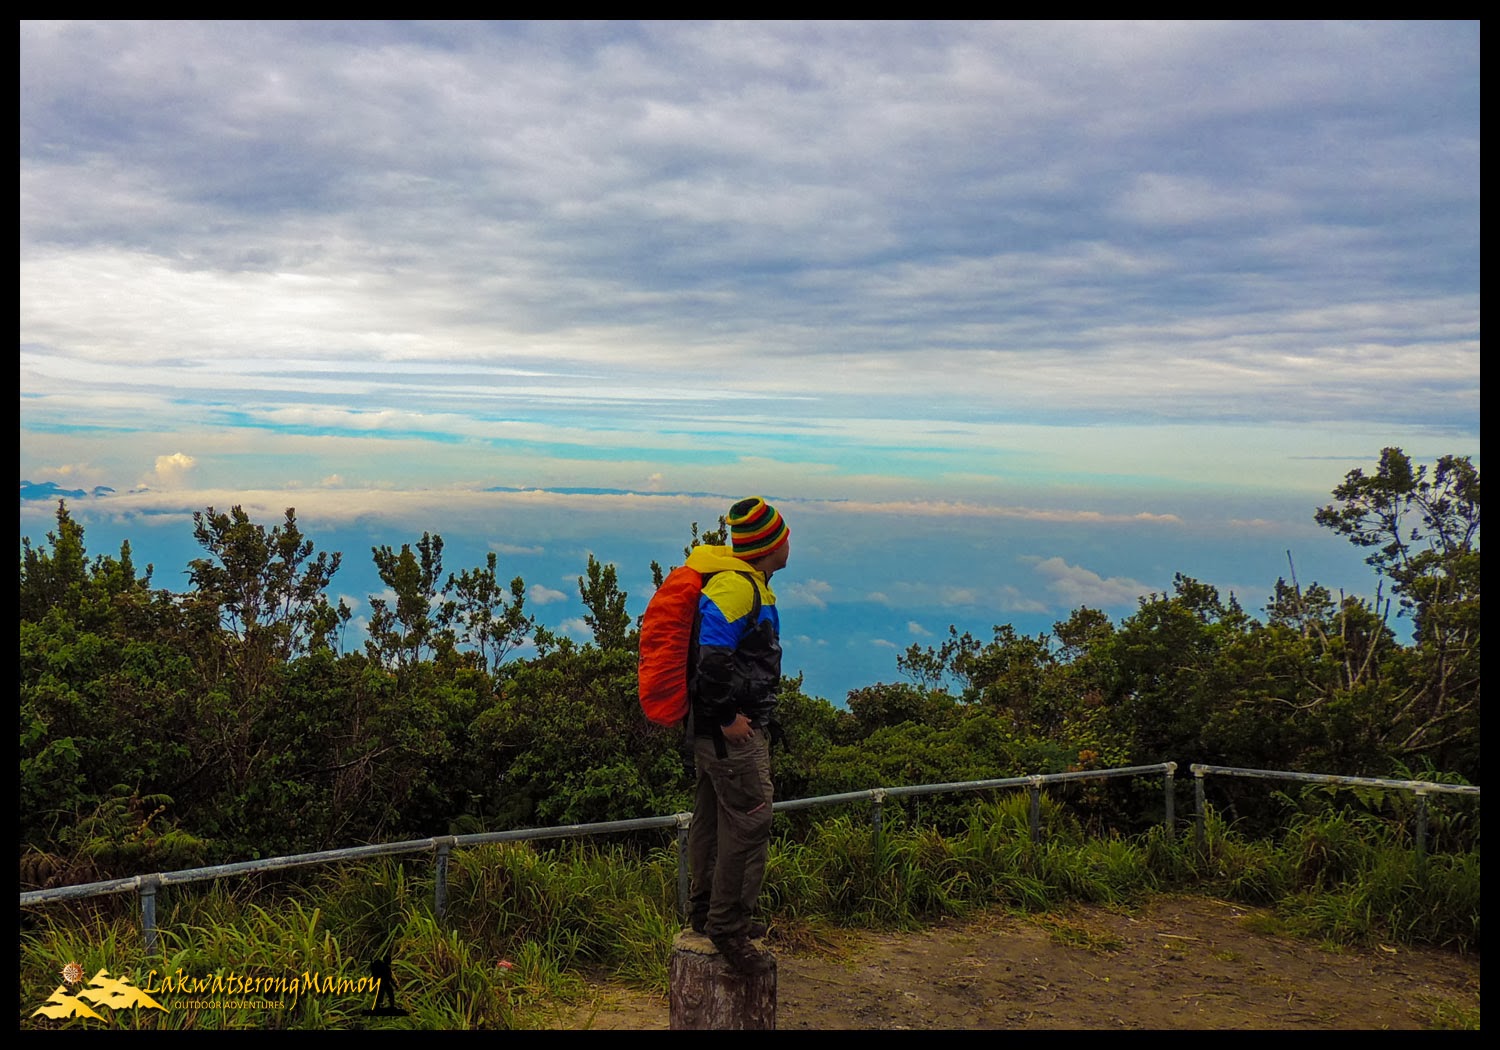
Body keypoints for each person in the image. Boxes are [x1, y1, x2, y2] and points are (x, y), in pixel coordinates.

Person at [683, 496, 790, 974]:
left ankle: (705, 914)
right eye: (784, 535)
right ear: (770, 544)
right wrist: (729, 717)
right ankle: (729, 928)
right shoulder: (737, 589)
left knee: (712, 820)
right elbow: (713, 662)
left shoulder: (747, 585)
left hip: (715, 734)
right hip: (729, 736)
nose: (790, 543)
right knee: (750, 820)